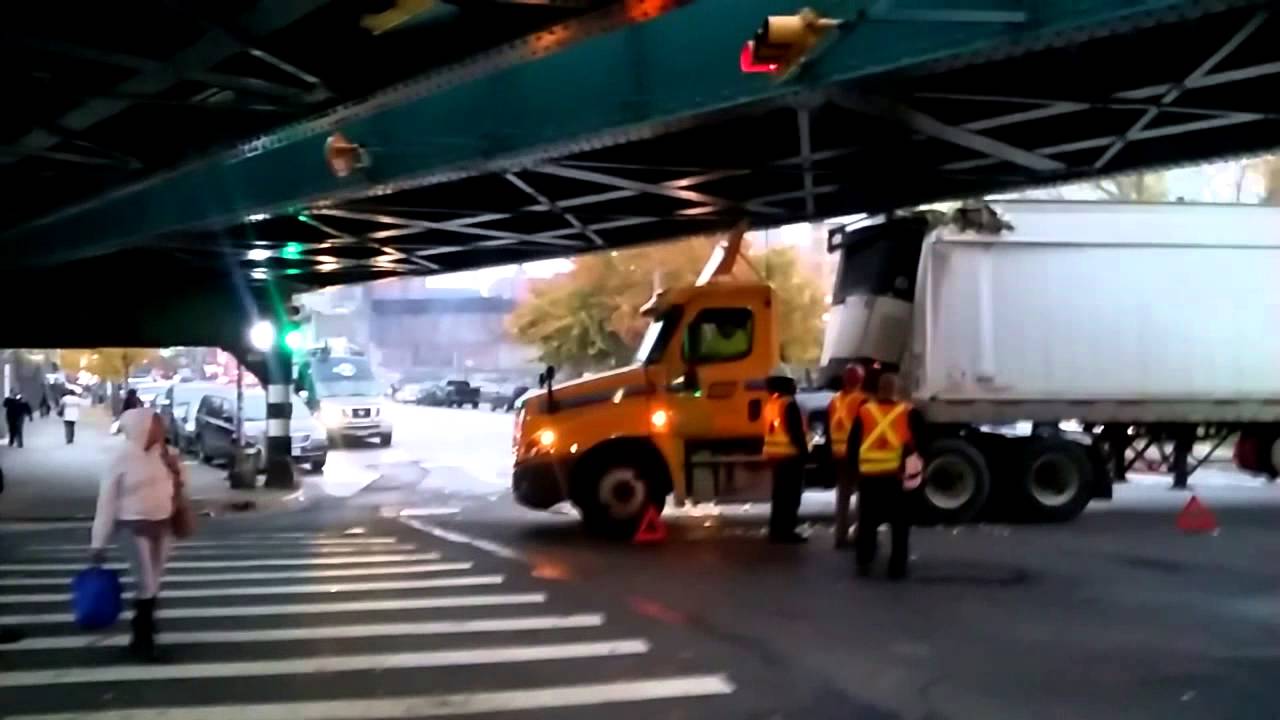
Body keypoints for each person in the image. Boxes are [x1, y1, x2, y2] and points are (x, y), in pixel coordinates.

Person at [90, 408, 182, 661]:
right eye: (155, 424)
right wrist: (98, 544)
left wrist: (176, 470)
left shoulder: (167, 454)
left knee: (154, 583)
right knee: (146, 583)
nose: (161, 428)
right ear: (141, 427)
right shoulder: (119, 457)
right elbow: (106, 502)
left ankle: (145, 631)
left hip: (163, 526)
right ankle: (143, 640)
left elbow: (178, 489)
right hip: (132, 528)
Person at [850, 372, 924, 580]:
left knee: (867, 522)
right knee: (900, 525)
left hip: (869, 477)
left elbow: (853, 444)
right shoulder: (909, 413)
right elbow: (921, 444)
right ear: (897, 391)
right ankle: (897, 567)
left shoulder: (864, 412)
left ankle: (864, 559)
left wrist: (854, 469)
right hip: (896, 478)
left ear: (879, 390)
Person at [762, 373, 808, 544]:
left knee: (779, 497)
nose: (795, 388)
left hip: (776, 456)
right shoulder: (789, 404)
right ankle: (788, 531)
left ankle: (776, 530)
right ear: (786, 387)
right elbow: (795, 432)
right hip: (790, 456)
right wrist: (804, 453)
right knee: (791, 497)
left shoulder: (772, 403)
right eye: (793, 384)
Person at [828, 363, 868, 548]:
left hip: (838, 454)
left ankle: (840, 536)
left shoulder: (834, 400)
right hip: (857, 455)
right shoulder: (862, 401)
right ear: (860, 380)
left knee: (842, 498)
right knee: (863, 497)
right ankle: (860, 535)